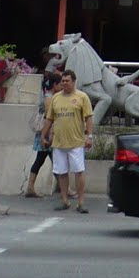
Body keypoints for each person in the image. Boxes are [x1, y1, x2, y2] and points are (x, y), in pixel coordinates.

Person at [41, 67, 94, 213]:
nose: (64, 83)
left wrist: (89, 136)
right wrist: (43, 135)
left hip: (76, 141)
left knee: (79, 171)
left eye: (67, 81)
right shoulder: (56, 98)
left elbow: (89, 117)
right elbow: (49, 118)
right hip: (59, 142)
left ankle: (81, 202)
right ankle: (64, 201)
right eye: (62, 81)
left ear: (74, 81)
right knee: (61, 172)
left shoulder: (82, 97)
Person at [25, 60, 62, 198]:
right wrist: (50, 134)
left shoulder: (49, 96)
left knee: (49, 161)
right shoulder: (49, 98)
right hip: (47, 135)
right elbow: (49, 118)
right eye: (60, 84)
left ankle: (31, 187)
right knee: (52, 161)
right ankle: (65, 189)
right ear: (55, 85)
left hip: (46, 134)